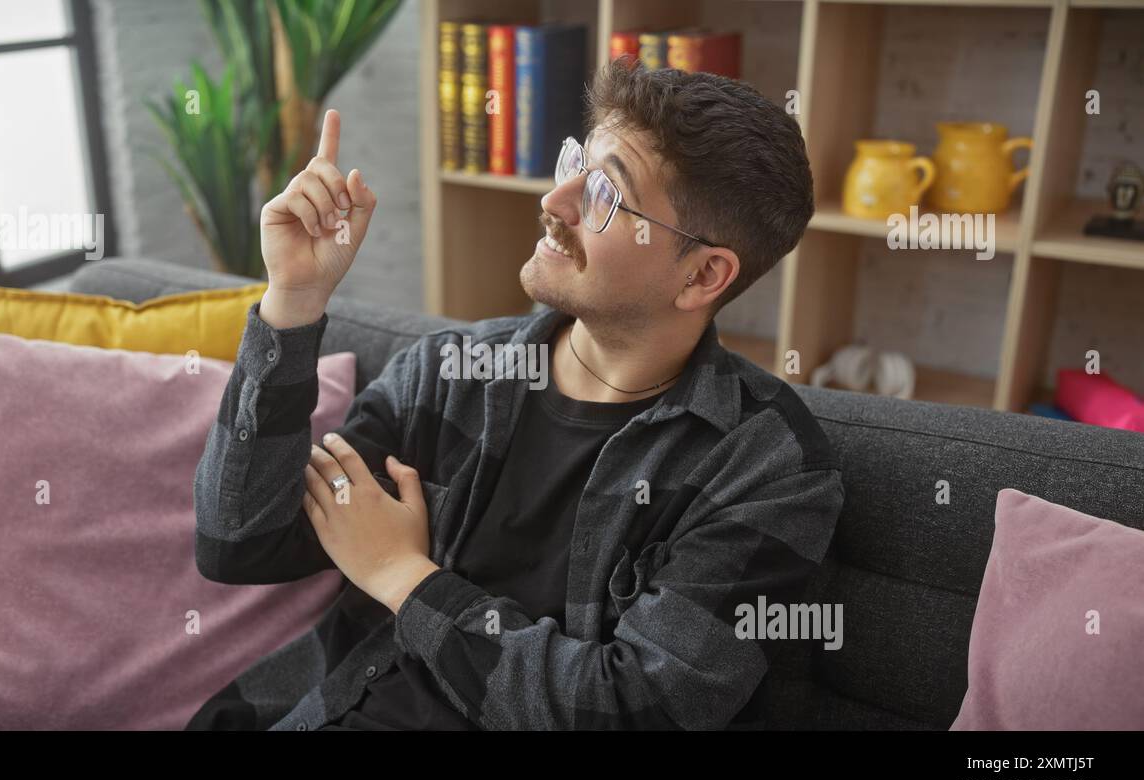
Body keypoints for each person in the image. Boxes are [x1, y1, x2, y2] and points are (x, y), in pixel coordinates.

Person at [186, 61, 844, 731]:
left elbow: (629, 710)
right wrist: (292, 304)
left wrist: (403, 576)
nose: (554, 203)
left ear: (703, 274)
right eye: (573, 164)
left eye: (604, 196)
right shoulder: (449, 373)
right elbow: (236, 541)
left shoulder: (765, 468)